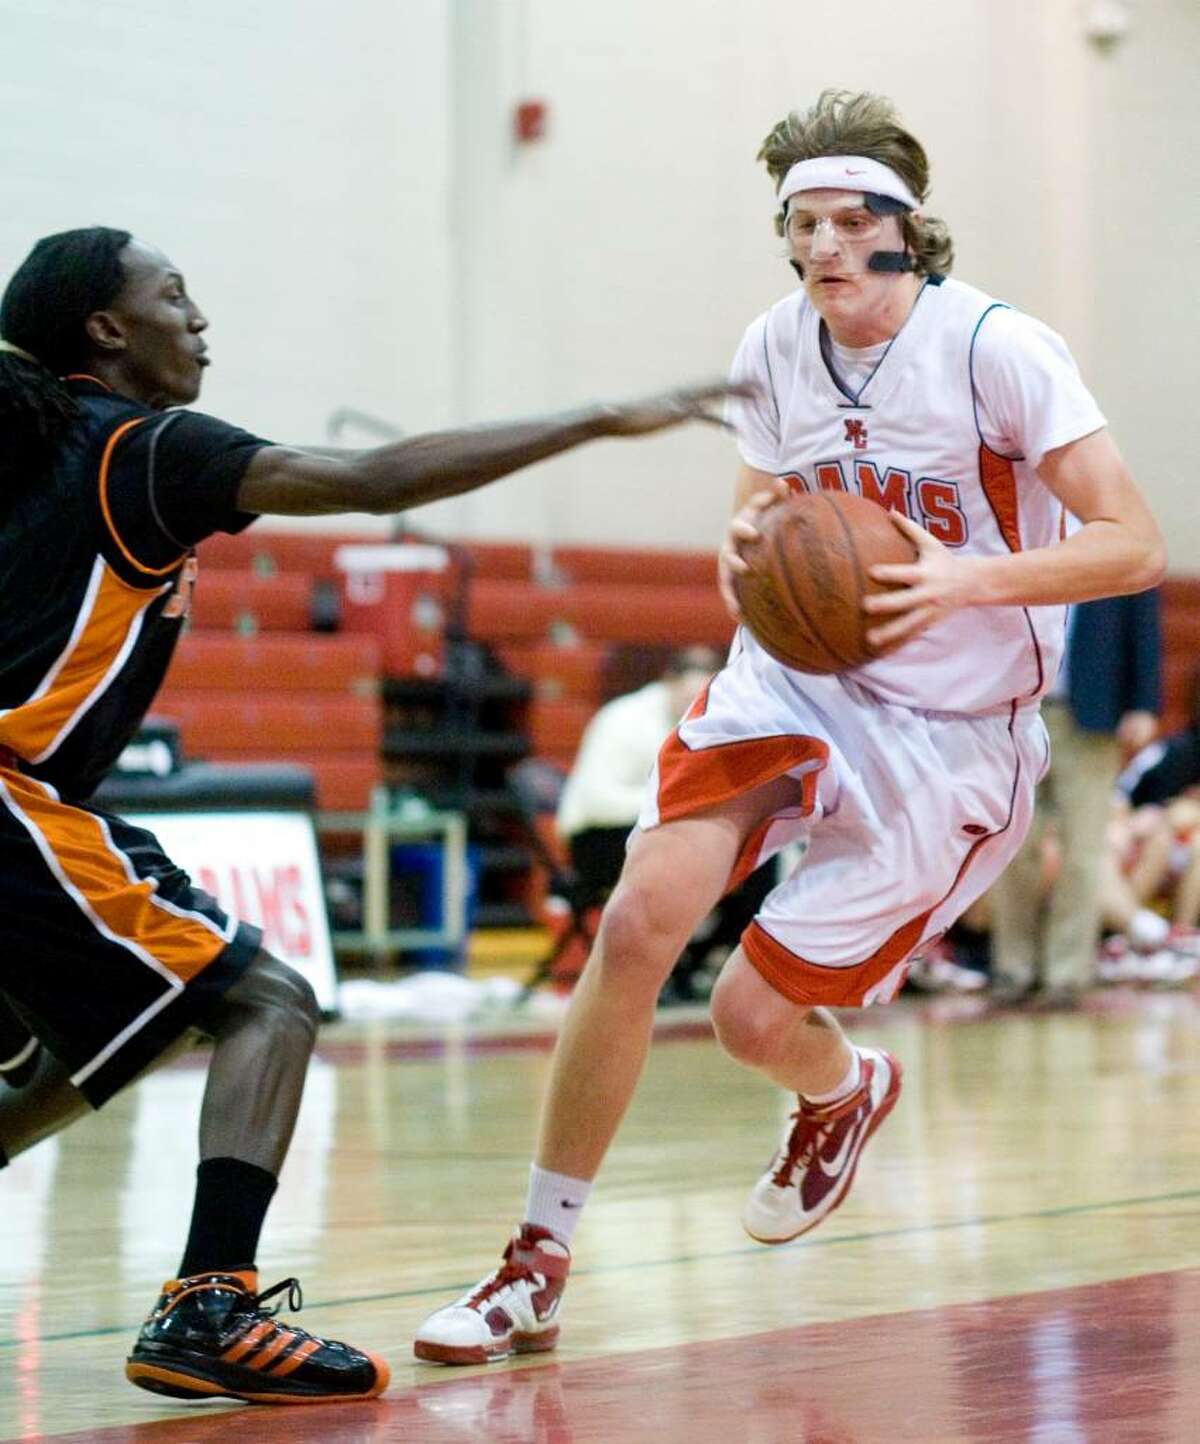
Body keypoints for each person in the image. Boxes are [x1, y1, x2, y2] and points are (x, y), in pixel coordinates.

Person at [413, 89, 1164, 1366]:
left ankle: (840, 1085)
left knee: (753, 1018)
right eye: (799, 222)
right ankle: (533, 1261)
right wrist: (746, 546)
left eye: (848, 219)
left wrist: (964, 577)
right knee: (643, 912)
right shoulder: (773, 344)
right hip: (795, 679)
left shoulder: (998, 350)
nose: (822, 246)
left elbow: (1135, 544)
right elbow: (757, 519)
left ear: (907, 229)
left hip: (954, 725)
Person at [0, 226, 737, 1405]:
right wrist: (603, 416)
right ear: (105, 331)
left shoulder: (35, 449)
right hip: (11, 795)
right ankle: (211, 1303)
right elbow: (374, 481)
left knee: (89, 1042)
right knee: (269, 1001)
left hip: (44, 804)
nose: (200, 322)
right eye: (174, 298)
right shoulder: (142, 450)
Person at [555, 645, 773, 1000]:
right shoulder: (623, 719)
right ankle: (676, 970)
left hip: (660, 832)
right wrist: (677, 807)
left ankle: (698, 968)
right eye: (689, 695)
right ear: (669, 683)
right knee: (691, 848)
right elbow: (597, 800)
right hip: (597, 840)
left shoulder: (713, 722)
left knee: (762, 857)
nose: (695, 704)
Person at [987, 586, 1162, 1004]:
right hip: (1016, 711)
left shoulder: (1115, 537)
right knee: (1012, 847)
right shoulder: (1022, 531)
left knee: (1083, 852)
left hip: (1093, 716)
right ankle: (1014, 969)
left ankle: (1067, 975)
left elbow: (1143, 629)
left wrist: (1143, 704)